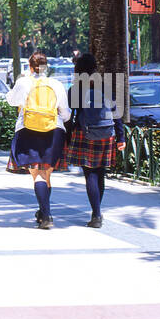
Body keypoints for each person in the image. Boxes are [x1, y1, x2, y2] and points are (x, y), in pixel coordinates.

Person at [6, 52, 71, 229]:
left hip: (28, 130)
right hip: (54, 130)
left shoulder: (24, 82)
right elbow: (65, 113)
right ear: (46, 66)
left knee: (37, 175)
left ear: (29, 65)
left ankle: (47, 215)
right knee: (46, 174)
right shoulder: (56, 84)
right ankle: (43, 212)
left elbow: (12, 101)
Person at [63, 52, 126, 227]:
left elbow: (71, 115)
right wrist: (121, 136)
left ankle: (96, 214)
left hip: (84, 133)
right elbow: (116, 113)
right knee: (100, 172)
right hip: (107, 133)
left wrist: (67, 138)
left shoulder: (75, 89)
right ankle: (97, 211)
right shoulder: (104, 86)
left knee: (89, 172)